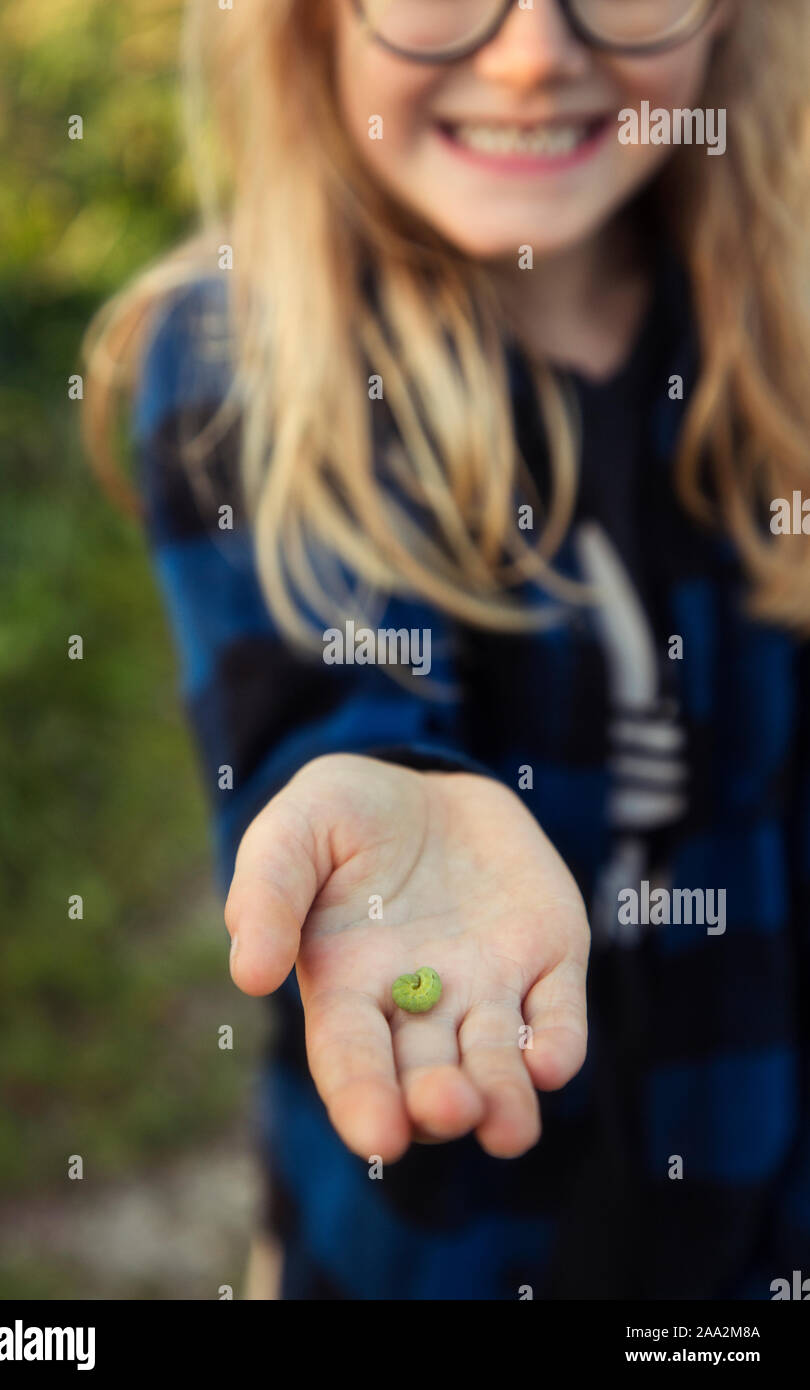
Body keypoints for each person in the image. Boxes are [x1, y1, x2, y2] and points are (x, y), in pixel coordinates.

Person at [84, 0, 810, 1299]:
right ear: (302, 26)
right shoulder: (242, 351)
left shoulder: (778, 329)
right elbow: (320, 684)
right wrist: (393, 783)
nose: (531, 52)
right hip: (446, 1242)